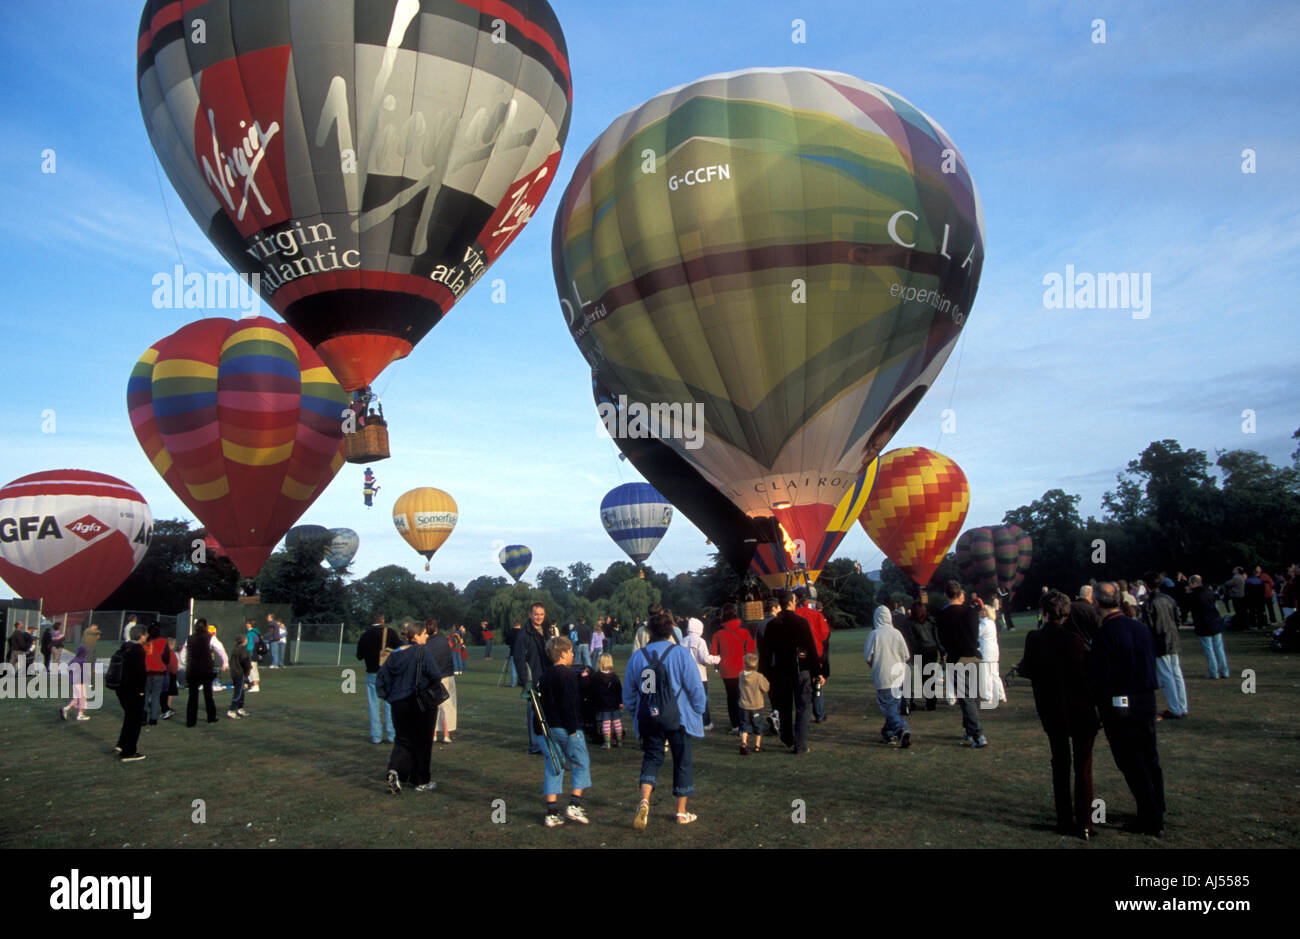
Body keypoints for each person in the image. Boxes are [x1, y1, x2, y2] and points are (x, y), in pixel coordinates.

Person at [1018, 590, 1101, 839]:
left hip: (1052, 711)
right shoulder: (1076, 642)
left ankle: (1065, 820)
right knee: (1083, 767)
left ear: (1044, 613)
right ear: (1067, 613)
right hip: (1081, 711)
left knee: (1060, 764)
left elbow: (1028, 669)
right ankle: (1086, 822)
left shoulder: (1034, 639)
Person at [1090, 582, 1165, 836]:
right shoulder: (1140, 628)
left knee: (1131, 761)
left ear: (1097, 603)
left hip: (1121, 703)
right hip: (1145, 698)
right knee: (1149, 756)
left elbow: (1101, 676)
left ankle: (1150, 817)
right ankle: (1157, 805)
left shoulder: (1104, 634)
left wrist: (1099, 707)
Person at [622, 612, 708, 829]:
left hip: (649, 715)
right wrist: (698, 709)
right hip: (677, 716)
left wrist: (635, 712)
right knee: (682, 761)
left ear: (649, 631)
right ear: (671, 630)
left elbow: (629, 692)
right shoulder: (680, 653)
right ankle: (680, 812)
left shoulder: (638, 656)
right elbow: (695, 686)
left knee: (651, 757)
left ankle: (644, 800)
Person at [376, 623, 440, 794]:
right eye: (424, 633)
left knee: (403, 739)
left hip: (398, 703)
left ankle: (395, 770)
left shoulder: (395, 654)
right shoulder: (422, 651)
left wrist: (390, 696)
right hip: (419, 701)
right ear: (416, 636)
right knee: (423, 741)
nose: (427, 636)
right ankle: (421, 780)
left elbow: (381, 678)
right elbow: (435, 674)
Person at [536, 636, 592, 827]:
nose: (573, 654)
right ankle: (574, 805)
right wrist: (573, 730)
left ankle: (551, 812)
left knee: (554, 767)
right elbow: (569, 704)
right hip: (566, 727)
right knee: (580, 763)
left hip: (546, 728)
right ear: (562, 653)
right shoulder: (567, 675)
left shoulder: (544, 676)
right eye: (570, 652)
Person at [758, 590, 822, 754]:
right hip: (800, 670)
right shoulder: (801, 622)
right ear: (792, 602)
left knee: (785, 707)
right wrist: (817, 671)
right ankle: (800, 744)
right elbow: (809, 648)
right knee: (803, 706)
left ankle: (787, 737)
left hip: (780, 671)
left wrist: (764, 673)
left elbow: (766, 652)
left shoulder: (773, 625)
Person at [935, 581, 987, 747]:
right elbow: (974, 635)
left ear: (946, 595)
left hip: (956, 658)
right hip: (973, 656)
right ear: (961, 594)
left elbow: (942, 638)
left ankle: (975, 733)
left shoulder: (942, 615)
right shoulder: (971, 612)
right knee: (974, 697)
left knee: (966, 698)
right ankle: (973, 732)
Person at [864, 604, 912, 747]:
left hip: (883, 675)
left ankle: (901, 729)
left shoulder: (874, 634)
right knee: (892, 708)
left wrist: (875, 665)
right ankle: (888, 733)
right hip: (898, 675)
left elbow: (868, 656)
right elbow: (906, 655)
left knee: (888, 708)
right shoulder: (897, 633)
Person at [1143, 575, 1188, 719]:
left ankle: (1175, 708)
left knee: (1167, 675)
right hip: (1173, 639)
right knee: (1176, 674)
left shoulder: (1150, 603)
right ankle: (1182, 706)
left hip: (1160, 642)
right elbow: (1178, 618)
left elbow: (1148, 626)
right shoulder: (1169, 599)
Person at [355, 613, 401, 744]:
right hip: (389, 672)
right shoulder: (390, 632)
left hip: (372, 673)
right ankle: (392, 735)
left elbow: (359, 655)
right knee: (390, 704)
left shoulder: (365, 635)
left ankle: (376, 736)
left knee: (373, 704)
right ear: (383, 620)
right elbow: (401, 649)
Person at [710, 604, 754, 733]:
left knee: (731, 697)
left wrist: (717, 666)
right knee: (744, 697)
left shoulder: (718, 634)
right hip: (742, 668)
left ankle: (735, 725)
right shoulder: (745, 631)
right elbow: (750, 651)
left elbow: (714, 653)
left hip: (727, 670)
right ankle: (745, 724)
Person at [513, 603, 550, 755]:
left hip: (545, 676)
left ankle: (544, 740)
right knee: (532, 710)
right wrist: (525, 680)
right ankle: (534, 745)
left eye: (541, 614)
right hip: (532, 678)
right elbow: (519, 658)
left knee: (544, 710)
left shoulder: (547, 631)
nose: (539, 617)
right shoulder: (524, 634)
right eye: (536, 614)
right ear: (530, 615)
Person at [181, 620, 228, 727]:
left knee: (192, 696)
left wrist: (185, 664)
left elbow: (183, 652)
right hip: (206, 669)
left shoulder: (190, 638)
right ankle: (211, 717)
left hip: (192, 669)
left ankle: (191, 721)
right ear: (206, 627)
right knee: (208, 694)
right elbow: (220, 649)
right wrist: (225, 662)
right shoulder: (210, 637)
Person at [112, 626, 149, 762]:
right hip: (132, 689)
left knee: (129, 717)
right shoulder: (138, 650)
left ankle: (122, 744)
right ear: (141, 636)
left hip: (121, 688)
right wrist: (141, 690)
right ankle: (129, 751)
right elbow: (140, 672)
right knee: (135, 720)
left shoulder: (124, 648)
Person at [796, 589, 832, 722]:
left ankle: (802, 711)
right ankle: (819, 714)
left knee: (801, 683)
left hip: (800, 654)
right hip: (816, 653)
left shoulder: (793, 614)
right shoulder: (816, 615)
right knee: (817, 682)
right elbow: (825, 634)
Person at [681, 617, 720, 730]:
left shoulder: (682, 641)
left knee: (688, 699)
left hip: (685, 675)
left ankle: (688, 721)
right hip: (699, 676)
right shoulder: (700, 641)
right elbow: (705, 659)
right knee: (702, 699)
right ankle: (705, 722)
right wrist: (717, 659)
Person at [1187, 575, 1229, 679]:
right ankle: (1225, 671)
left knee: (1209, 649)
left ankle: (1213, 672)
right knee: (1219, 648)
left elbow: (1190, 608)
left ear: (1194, 583)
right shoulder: (1209, 592)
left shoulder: (1193, 596)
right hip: (1215, 622)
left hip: (1203, 624)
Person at [425, 620, 457, 745]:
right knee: (447, 705)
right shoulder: (444, 640)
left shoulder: (426, 643)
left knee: (433, 704)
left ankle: (432, 733)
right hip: (446, 675)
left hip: (432, 677)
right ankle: (446, 734)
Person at [909, 601, 942, 711]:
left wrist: (912, 655)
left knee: (924, 677)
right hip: (932, 650)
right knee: (930, 676)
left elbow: (913, 641)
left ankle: (930, 701)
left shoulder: (912, 624)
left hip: (920, 650)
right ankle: (931, 701)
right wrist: (942, 652)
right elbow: (937, 638)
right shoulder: (931, 621)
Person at [736, 652, 770, 755]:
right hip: (756, 705)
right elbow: (766, 688)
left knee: (744, 725)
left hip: (744, 705)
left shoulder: (741, 675)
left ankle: (744, 743)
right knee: (758, 725)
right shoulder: (758, 676)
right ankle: (757, 746)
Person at [592, 653, 625, 748]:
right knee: (617, 722)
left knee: (605, 723)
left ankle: (607, 742)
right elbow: (619, 690)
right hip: (614, 703)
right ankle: (619, 741)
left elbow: (594, 691)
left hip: (602, 704)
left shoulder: (596, 677)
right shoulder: (614, 676)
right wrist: (621, 701)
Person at [978, 600, 1006, 708]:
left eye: (983, 610)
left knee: (987, 676)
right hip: (993, 652)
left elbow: (977, 634)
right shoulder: (991, 623)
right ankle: (1001, 695)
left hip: (986, 652)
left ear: (986, 612)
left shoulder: (984, 624)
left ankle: (988, 697)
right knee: (994, 675)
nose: (981, 611)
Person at [141, 623, 171, 726]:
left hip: (146, 672)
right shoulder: (163, 642)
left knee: (145, 694)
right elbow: (166, 657)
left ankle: (143, 716)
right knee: (155, 695)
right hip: (159, 671)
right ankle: (153, 718)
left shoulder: (145, 643)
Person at [60, 638, 93, 722]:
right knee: (82, 698)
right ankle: (80, 715)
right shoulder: (82, 661)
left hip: (73, 682)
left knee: (76, 698)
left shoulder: (73, 660)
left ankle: (66, 709)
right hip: (80, 682)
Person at [227, 634, 252, 719]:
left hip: (234, 672)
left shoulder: (235, 649)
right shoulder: (243, 649)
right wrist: (248, 669)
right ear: (244, 640)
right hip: (239, 673)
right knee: (238, 692)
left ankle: (240, 708)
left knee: (241, 691)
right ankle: (232, 710)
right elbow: (244, 661)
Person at [162, 636, 179, 719]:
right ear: (172, 645)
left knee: (165, 691)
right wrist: (174, 672)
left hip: (164, 673)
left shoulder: (162, 652)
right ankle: (167, 707)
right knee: (170, 692)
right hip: (171, 673)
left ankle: (166, 707)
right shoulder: (171, 653)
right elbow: (173, 664)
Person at [244, 620, 262, 691]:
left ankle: (255, 686)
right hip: (255, 653)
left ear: (250, 625)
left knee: (252, 669)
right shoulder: (256, 632)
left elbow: (250, 645)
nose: (246, 624)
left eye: (247, 623)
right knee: (254, 669)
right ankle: (254, 685)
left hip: (251, 654)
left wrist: (247, 653)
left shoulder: (250, 634)